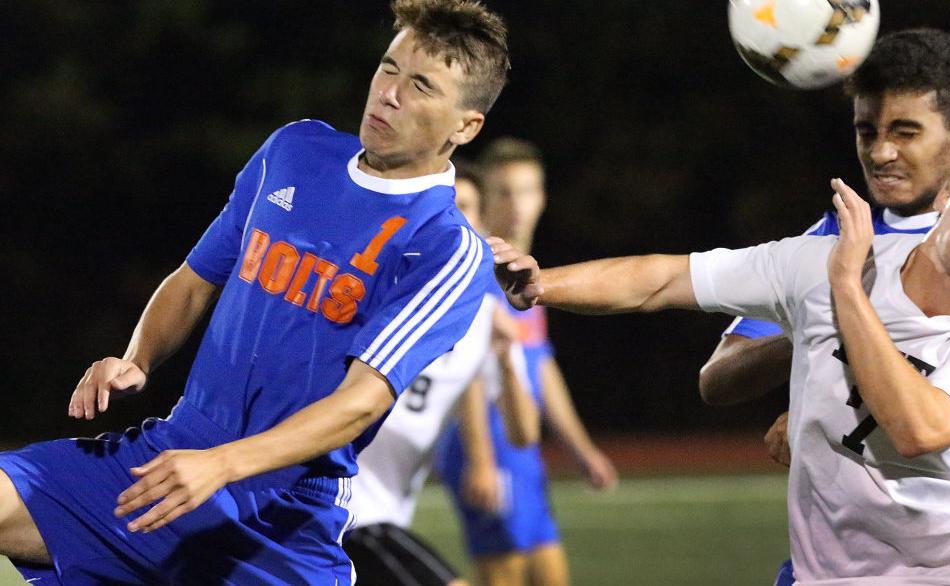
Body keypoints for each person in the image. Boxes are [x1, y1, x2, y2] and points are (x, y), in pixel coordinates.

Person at [0, 1, 509, 583]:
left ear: (465, 125)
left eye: (421, 85)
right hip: (173, 454)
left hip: (280, 516)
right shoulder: (294, 151)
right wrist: (138, 358)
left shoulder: (446, 248)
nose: (390, 93)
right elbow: (194, 280)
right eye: (388, 68)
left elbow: (360, 403)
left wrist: (224, 466)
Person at [491, 107, 950, 584]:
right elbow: (665, 279)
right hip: (826, 572)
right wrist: (542, 283)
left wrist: (845, 291)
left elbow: (918, 428)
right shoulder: (831, 262)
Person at [696, 29, 950, 585]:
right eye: (868, 131)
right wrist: (818, 332)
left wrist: (846, 383)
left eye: (905, 132)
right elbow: (718, 379)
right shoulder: (833, 237)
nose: (881, 151)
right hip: (836, 558)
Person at [344, 165, 540, 586]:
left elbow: (524, 433)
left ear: (482, 224)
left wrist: (507, 358)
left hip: (385, 511)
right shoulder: (375, 292)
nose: (454, 219)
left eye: (465, 207)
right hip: (340, 509)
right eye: (444, 207)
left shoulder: (487, 319)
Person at [438, 138, 618, 586]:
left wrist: (580, 447)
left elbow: (539, 366)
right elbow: (467, 377)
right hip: (489, 446)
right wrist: (480, 459)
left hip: (523, 448)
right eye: (503, 192)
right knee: (506, 575)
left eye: (528, 190)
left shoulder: (522, 275)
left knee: (548, 573)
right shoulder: (476, 273)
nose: (517, 204)